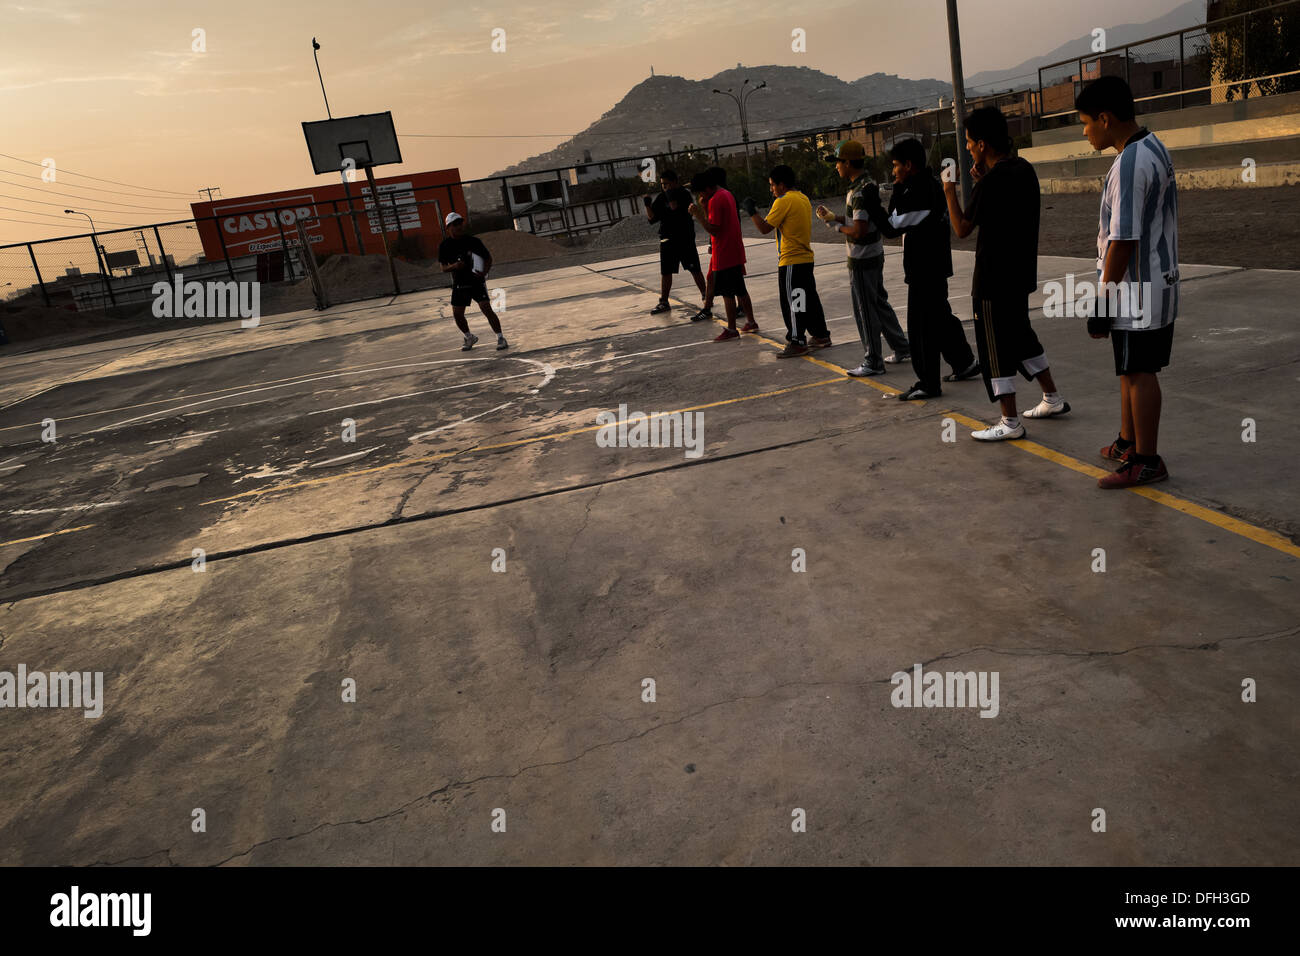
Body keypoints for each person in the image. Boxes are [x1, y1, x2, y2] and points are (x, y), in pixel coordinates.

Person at [1076, 76, 1179, 488]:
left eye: (1086, 122)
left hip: (1139, 286)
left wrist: (1102, 301)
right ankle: (1127, 440)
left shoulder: (1131, 162)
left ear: (1105, 118)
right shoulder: (1152, 146)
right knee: (1128, 368)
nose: (1084, 131)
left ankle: (1148, 460)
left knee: (1140, 371)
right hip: (1153, 279)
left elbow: (1123, 240)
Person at [943, 107, 1069, 440]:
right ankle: (1052, 397)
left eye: (970, 143)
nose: (968, 148)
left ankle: (1009, 421)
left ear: (983, 144)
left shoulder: (991, 182)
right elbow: (1006, 209)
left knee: (995, 347)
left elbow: (961, 228)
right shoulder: (1023, 170)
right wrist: (982, 181)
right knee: (1021, 336)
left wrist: (949, 192)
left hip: (992, 279)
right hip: (1019, 273)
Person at [871, 138, 979, 399]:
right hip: (931, 266)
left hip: (925, 269)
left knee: (922, 328)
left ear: (909, 165)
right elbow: (897, 217)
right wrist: (898, 189)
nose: (894, 171)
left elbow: (890, 227)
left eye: (896, 165)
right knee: (940, 318)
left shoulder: (920, 192)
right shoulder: (918, 187)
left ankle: (928, 382)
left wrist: (873, 203)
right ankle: (964, 362)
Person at [816, 140, 910, 377]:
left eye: (838, 162)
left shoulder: (857, 192)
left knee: (865, 310)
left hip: (861, 259)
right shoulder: (866, 184)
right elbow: (860, 222)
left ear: (848, 163)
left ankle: (873, 360)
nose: (836, 167)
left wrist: (833, 226)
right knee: (880, 303)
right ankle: (901, 346)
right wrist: (836, 217)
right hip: (874, 254)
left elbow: (858, 231)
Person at [743, 164, 831, 357]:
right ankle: (821, 335)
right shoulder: (802, 198)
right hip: (806, 258)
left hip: (791, 260)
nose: (771, 189)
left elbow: (765, 228)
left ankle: (797, 340)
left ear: (782, 185)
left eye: (772, 185)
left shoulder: (783, 201)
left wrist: (751, 211)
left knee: (793, 302)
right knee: (809, 299)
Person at [689, 169, 757, 341]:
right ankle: (751, 321)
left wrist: (698, 215)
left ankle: (732, 329)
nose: (701, 195)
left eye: (701, 192)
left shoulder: (717, 200)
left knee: (728, 293)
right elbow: (716, 222)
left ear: (707, 188)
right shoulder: (726, 194)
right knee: (740, 289)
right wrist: (704, 207)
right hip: (734, 249)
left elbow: (715, 229)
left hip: (724, 251)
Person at [437, 212, 507, 351]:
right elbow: (443, 267)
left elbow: (488, 259)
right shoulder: (444, 245)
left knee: (485, 307)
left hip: (476, 281)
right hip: (459, 283)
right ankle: (469, 337)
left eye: (460, 223)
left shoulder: (473, 241)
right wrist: (454, 266)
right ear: (448, 228)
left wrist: (484, 272)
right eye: (455, 224)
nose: (459, 226)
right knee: (457, 313)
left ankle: (500, 337)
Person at [643, 169, 707, 314]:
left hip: (684, 238)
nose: (664, 187)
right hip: (667, 239)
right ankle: (664, 302)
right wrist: (647, 205)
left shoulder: (684, 194)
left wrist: (671, 196)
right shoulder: (661, 197)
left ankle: (706, 296)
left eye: (667, 184)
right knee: (666, 272)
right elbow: (652, 219)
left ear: (674, 182)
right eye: (662, 184)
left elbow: (675, 208)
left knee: (694, 268)